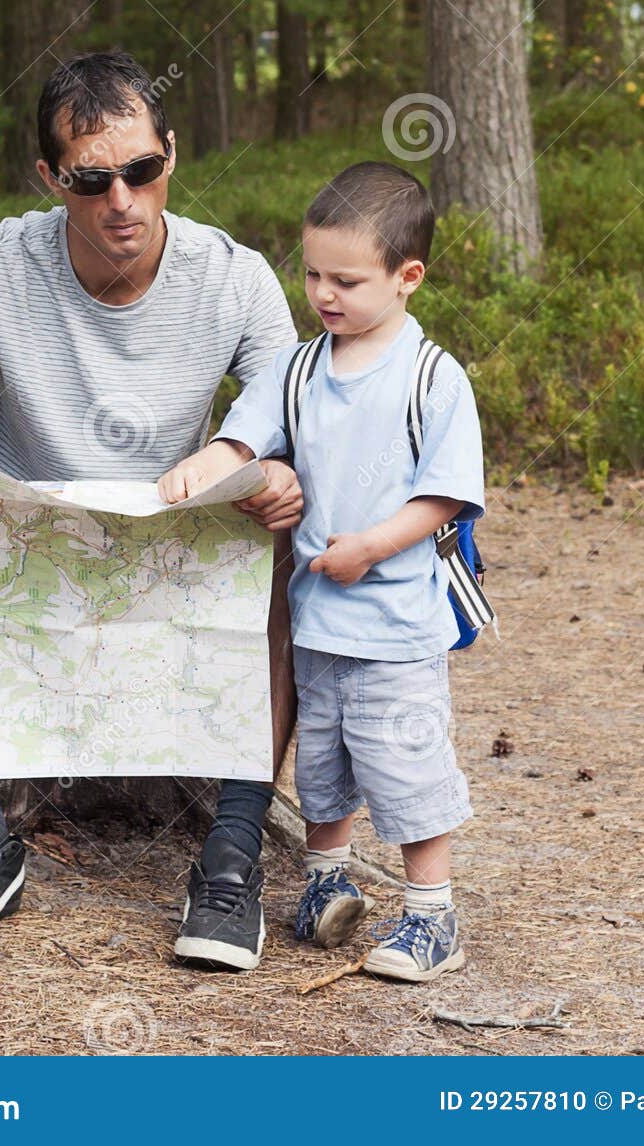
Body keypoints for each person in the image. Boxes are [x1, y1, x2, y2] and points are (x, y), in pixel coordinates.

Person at [0, 50, 301, 971]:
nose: (121, 201)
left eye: (142, 171)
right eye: (92, 180)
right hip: (33, 539)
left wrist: (264, 466)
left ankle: (233, 847)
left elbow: (290, 409)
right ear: (52, 177)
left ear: (170, 154)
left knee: (290, 509)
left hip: (176, 537)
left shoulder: (235, 275)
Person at [158, 161, 484, 982]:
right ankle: (323, 884)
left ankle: (430, 915)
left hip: (396, 622)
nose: (323, 294)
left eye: (346, 279)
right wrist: (212, 460)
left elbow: (444, 497)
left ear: (407, 278)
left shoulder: (431, 379)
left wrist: (371, 546)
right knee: (324, 766)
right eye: (310, 274)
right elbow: (248, 433)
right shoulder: (298, 369)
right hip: (314, 618)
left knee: (403, 763)